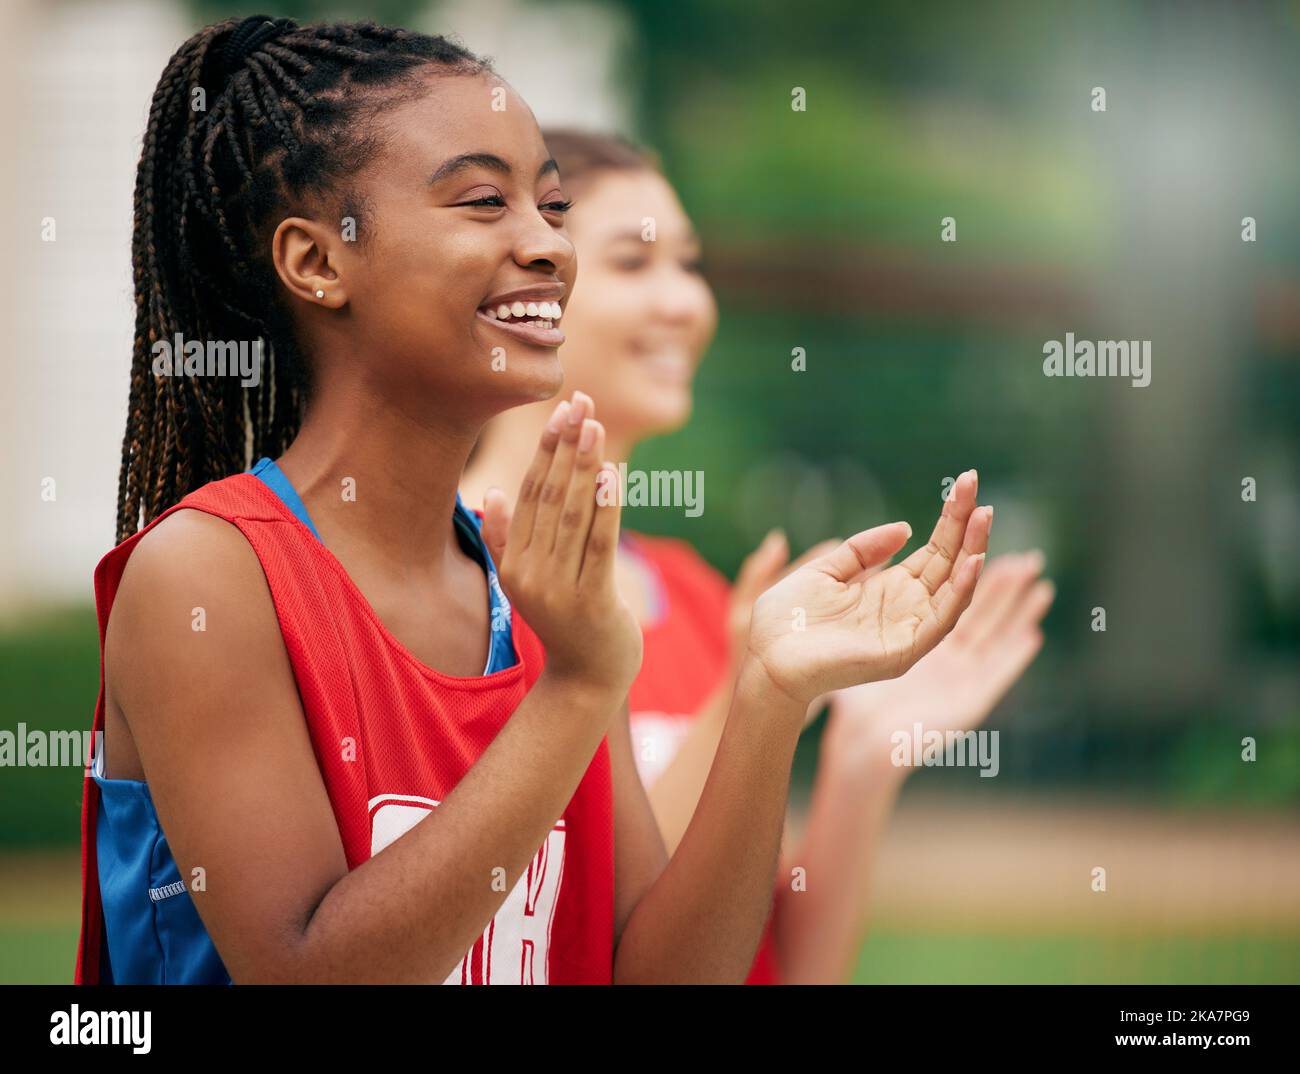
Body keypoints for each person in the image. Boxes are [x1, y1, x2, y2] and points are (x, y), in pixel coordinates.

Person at [76, 18, 992, 985]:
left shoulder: (535, 585)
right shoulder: (212, 574)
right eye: (484, 201)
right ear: (318, 262)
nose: (548, 247)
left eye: (552, 208)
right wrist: (580, 685)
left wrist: (767, 693)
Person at [463, 130, 1053, 983]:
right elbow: (598, 941)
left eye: (691, 266)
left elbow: (768, 966)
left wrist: (860, 758)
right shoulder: (437, 579)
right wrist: (750, 687)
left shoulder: (701, 598)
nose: (686, 305)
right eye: (635, 264)